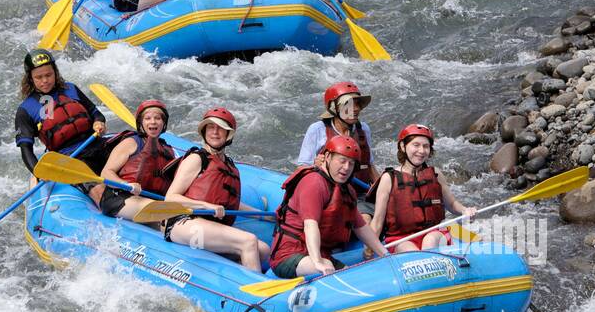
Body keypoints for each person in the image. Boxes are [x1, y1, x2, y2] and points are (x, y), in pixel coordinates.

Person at [162, 108, 270, 272]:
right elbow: (170, 198)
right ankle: (255, 293)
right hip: (183, 223)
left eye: (220, 128)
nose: (215, 132)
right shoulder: (197, 159)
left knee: (263, 250)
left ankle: (237, 281)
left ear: (229, 135)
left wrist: (264, 216)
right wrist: (205, 206)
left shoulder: (230, 166)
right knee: (248, 241)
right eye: (210, 127)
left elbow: (230, 203)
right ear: (204, 131)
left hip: (210, 227)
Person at [269, 134, 388, 279]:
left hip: (321, 253)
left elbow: (361, 227)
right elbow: (310, 225)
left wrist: (385, 254)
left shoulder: (346, 190)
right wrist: (317, 262)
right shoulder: (313, 183)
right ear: (328, 157)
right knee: (327, 268)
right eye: (342, 161)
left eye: (351, 164)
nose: (346, 168)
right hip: (288, 254)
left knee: (351, 276)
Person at [371, 125, 477, 253]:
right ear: (403, 147)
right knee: (409, 249)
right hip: (401, 238)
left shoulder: (436, 174)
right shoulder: (389, 178)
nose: (421, 151)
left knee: (430, 240)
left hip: (434, 233)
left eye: (426, 146)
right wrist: (369, 248)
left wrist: (465, 211)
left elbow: (452, 204)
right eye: (416, 145)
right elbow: (377, 221)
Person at [14, 49, 106, 176]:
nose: (45, 80)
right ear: (30, 78)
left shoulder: (71, 89)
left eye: (48, 75)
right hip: (69, 158)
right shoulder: (26, 110)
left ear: (55, 73)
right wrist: (40, 175)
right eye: (38, 77)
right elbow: (26, 150)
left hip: (95, 143)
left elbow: (96, 114)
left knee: (131, 140)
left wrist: (98, 122)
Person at [91, 99, 177, 220]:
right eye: (147, 118)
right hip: (120, 197)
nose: (153, 122)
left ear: (164, 123)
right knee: (168, 217)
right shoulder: (131, 142)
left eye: (158, 118)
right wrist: (126, 184)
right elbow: (106, 172)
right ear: (141, 123)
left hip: (150, 198)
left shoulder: (168, 150)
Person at [298, 82, 378, 185]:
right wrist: (315, 166)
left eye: (357, 103)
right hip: (329, 193)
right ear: (334, 108)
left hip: (360, 194)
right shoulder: (317, 129)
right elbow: (301, 169)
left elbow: (369, 166)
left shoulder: (363, 129)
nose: (356, 108)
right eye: (349, 104)